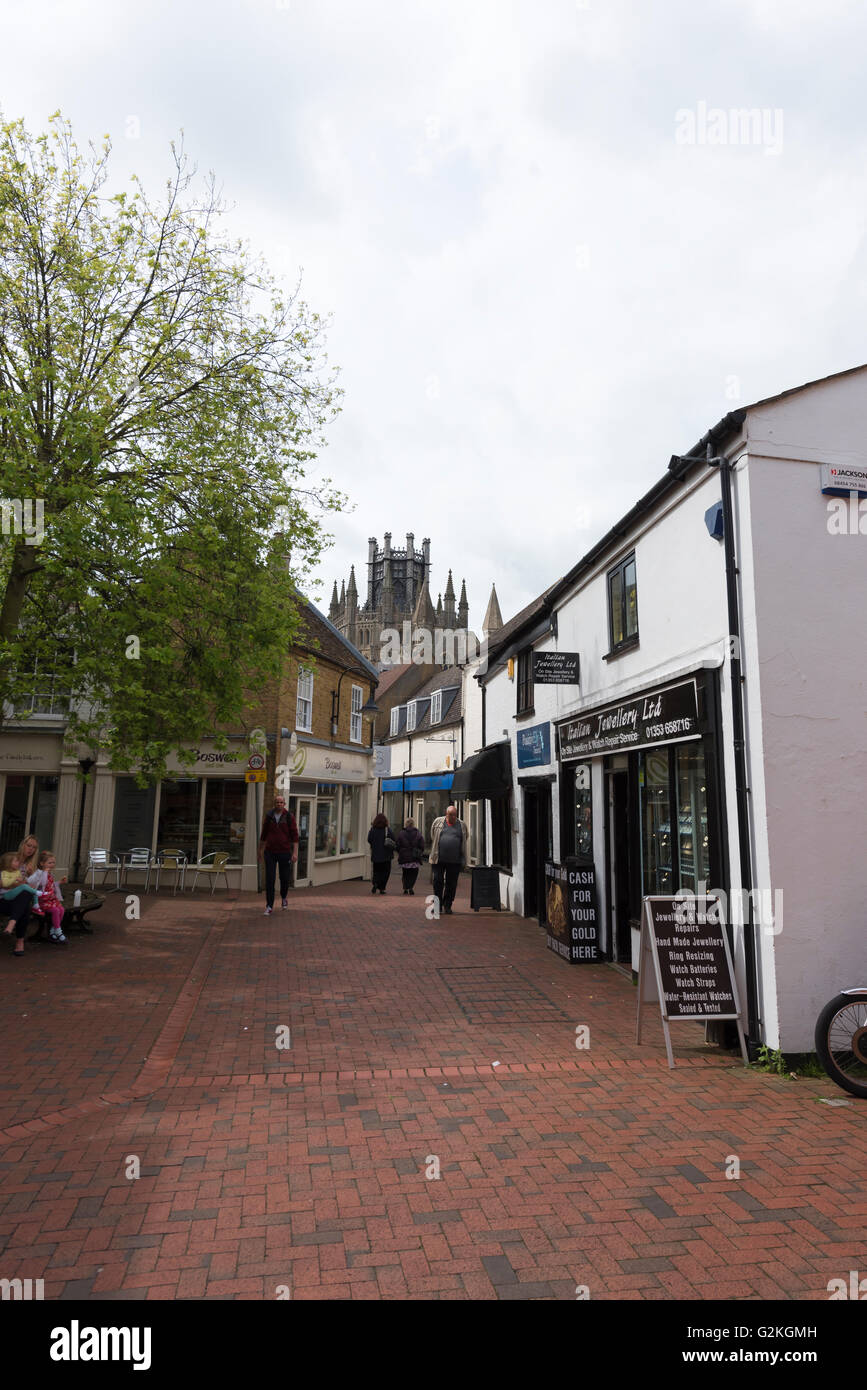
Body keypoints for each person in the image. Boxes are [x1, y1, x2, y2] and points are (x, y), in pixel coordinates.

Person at [258, 794, 299, 916]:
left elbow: (295, 836)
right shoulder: (269, 816)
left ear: (284, 804)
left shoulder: (289, 817)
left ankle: (284, 897)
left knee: (284, 878)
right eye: (277, 802)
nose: (279, 804)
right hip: (270, 852)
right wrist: (259, 852)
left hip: (284, 852)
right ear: (274, 804)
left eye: (281, 802)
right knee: (270, 880)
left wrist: (295, 853)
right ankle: (269, 906)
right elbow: (263, 835)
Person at [428, 804, 469, 915]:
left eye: (455, 815)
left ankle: (447, 905)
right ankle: (437, 906)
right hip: (438, 860)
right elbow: (433, 835)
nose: (453, 817)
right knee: (438, 883)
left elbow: (465, 838)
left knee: (451, 884)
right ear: (446, 814)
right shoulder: (438, 822)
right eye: (451, 815)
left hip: (455, 861)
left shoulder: (462, 825)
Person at [0, 851, 38, 956]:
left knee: (25, 896)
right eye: (16, 861)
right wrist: (16, 884)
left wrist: (28, 877)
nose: (19, 863)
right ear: (8, 863)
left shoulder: (19, 872)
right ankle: (19, 941)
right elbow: (4, 884)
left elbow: (29, 885)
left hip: (16, 903)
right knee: (25, 907)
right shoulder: (2, 873)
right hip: (3, 902)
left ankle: (10, 926)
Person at [28, 850, 67, 943]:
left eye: (53, 862)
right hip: (42, 900)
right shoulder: (40, 873)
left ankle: (53, 930)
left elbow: (50, 885)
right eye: (49, 862)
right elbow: (41, 884)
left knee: (62, 909)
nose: (52, 864)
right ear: (42, 863)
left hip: (51, 899)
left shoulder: (49, 873)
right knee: (55, 911)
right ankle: (59, 931)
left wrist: (59, 882)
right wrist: (45, 872)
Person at [367, 813, 395, 894]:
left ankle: (375, 883)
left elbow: (369, 839)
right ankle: (382, 888)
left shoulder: (373, 830)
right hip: (386, 855)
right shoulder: (387, 830)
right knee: (386, 871)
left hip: (376, 854)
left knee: (376, 870)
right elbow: (393, 839)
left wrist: (374, 845)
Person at [396, 818, 425, 895]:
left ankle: (405, 887)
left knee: (405, 873)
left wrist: (401, 852)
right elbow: (422, 845)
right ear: (413, 824)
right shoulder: (418, 833)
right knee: (414, 873)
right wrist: (420, 851)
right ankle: (410, 887)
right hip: (414, 857)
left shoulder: (401, 833)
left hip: (404, 857)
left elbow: (398, 845)